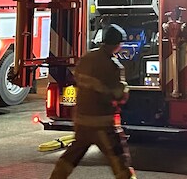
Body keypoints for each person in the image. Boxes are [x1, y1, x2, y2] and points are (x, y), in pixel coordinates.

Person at [49, 23, 135, 179]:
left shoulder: (87, 57)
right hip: (102, 124)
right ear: (117, 45)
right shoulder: (113, 66)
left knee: (71, 157)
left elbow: (77, 79)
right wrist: (125, 89)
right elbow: (118, 95)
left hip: (81, 121)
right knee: (119, 160)